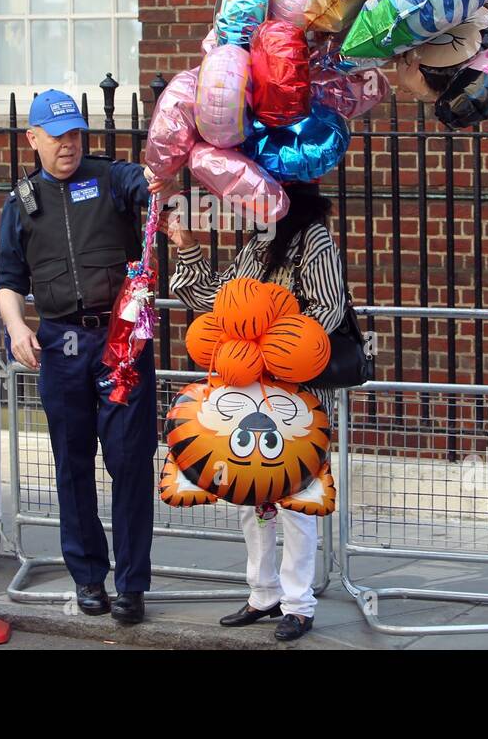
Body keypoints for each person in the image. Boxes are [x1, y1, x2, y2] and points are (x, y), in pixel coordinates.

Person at [0, 89, 172, 625]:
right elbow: (7, 280)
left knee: (129, 463)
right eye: (56, 136)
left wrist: (165, 188)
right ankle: (88, 578)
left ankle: (132, 585)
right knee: (71, 466)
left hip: (120, 344)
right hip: (60, 346)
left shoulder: (112, 178)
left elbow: (152, 188)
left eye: (74, 134)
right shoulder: (22, 202)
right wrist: (16, 326)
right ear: (33, 140)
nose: (68, 145)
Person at [165, 181, 346, 642]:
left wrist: (279, 344)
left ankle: (298, 603)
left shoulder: (313, 237)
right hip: (247, 388)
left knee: (294, 501)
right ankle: (263, 593)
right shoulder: (257, 241)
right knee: (250, 494)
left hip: (292, 392)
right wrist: (188, 248)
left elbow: (330, 305)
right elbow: (217, 301)